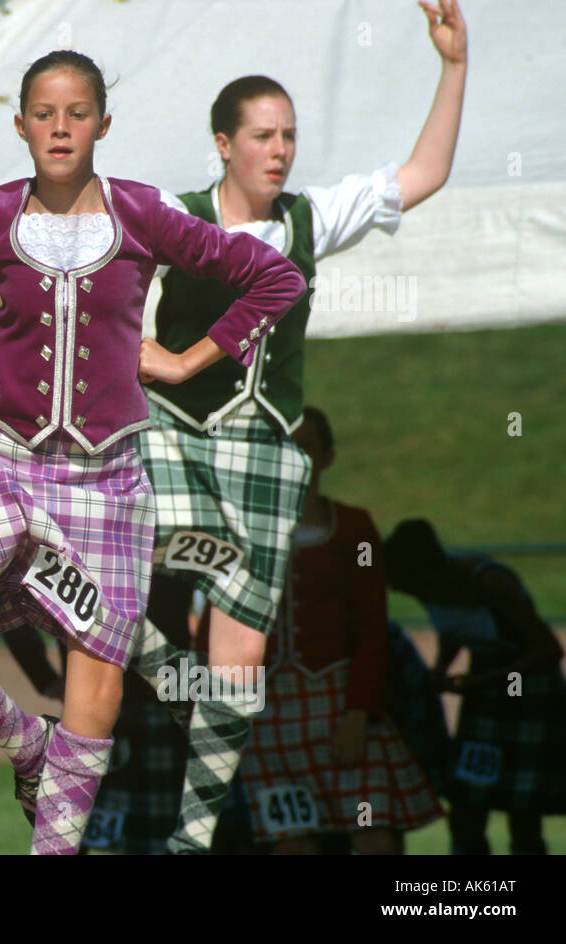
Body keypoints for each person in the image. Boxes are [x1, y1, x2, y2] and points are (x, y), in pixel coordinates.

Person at [0, 49, 306, 854]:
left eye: (78, 113)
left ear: (103, 124)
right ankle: (26, 743)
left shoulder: (144, 214)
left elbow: (274, 279)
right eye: (45, 114)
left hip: (104, 479)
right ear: (20, 125)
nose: (61, 128)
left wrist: (192, 358)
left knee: (94, 703)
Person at [140, 0, 468, 852]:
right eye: (262, 135)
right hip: (176, 438)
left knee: (237, 670)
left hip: (262, 451)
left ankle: (194, 832)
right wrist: (154, 363)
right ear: (223, 144)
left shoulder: (308, 220)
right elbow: (97, 305)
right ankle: (133, 597)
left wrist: (454, 67)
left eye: (288, 135)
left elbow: (422, 175)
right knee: (181, 606)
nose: (280, 149)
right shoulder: (168, 221)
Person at [237, 407, 443, 853]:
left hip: (341, 702)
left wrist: (358, 712)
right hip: (268, 712)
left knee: (376, 840)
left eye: (305, 446)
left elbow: (373, 627)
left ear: (327, 456)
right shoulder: (242, 530)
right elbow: (225, 628)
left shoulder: (356, 529)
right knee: (292, 845)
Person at [385, 519, 566, 854]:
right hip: (483, 688)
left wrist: (481, 681)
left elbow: (547, 649)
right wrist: (440, 669)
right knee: (468, 802)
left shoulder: (489, 582)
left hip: (524, 688)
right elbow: (455, 629)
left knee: (522, 811)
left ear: (420, 570)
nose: (397, 589)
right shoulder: (429, 587)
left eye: (400, 581)